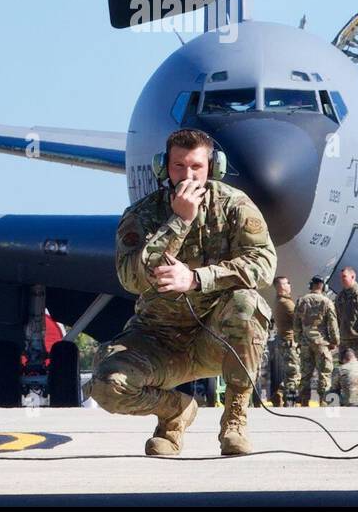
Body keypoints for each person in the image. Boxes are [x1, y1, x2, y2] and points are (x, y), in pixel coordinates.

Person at [90, 128, 276, 456]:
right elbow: (132, 278)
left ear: (213, 168)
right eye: (178, 166)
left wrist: (196, 278)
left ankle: (235, 420)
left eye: (195, 167)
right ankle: (174, 412)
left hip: (215, 339)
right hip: (157, 340)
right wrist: (179, 221)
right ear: (164, 167)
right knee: (106, 385)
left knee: (247, 303)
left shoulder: (234, 206)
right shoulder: (142, 214)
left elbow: (263, 264)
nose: (187, 175)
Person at [294, 275, 338, 405]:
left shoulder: (301, 301)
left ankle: (303, 402)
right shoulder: (327, 302)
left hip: (305, 344)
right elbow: (333, 324)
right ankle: (323, 403)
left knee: (305, 375)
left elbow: (296, 324)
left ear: (311, 286)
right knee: (324, 374)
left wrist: (299, 340)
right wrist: (334, 341)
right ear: (323, 286)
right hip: (322, 344)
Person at [271, 275, 300, 406]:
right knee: (294, 374)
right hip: (289, 343)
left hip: (284, 341)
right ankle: (290, 400)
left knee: (290, 373)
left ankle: (279, 394)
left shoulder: (279, 301)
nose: (290, 285)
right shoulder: (286, 303)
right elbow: (298, 320)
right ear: (282, 286)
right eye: (287, 283)